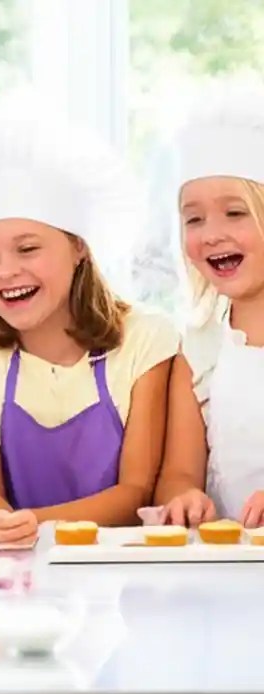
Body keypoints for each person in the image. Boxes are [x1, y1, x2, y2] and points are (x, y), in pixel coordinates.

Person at [0, 99, 179, 545]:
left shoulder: (146, 340)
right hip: (19, 569)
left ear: (79, 249)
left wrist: (32, 522)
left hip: (122, 579)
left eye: (28, 248)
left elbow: (135, 491)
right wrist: (2, 524)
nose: (6, 271)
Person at [155, 87, 264, 528]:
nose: (211, 234)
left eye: (235, 213)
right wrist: (185, 497)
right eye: (193, 219)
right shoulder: (200, 346)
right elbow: (179, 473)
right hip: (228, 568)